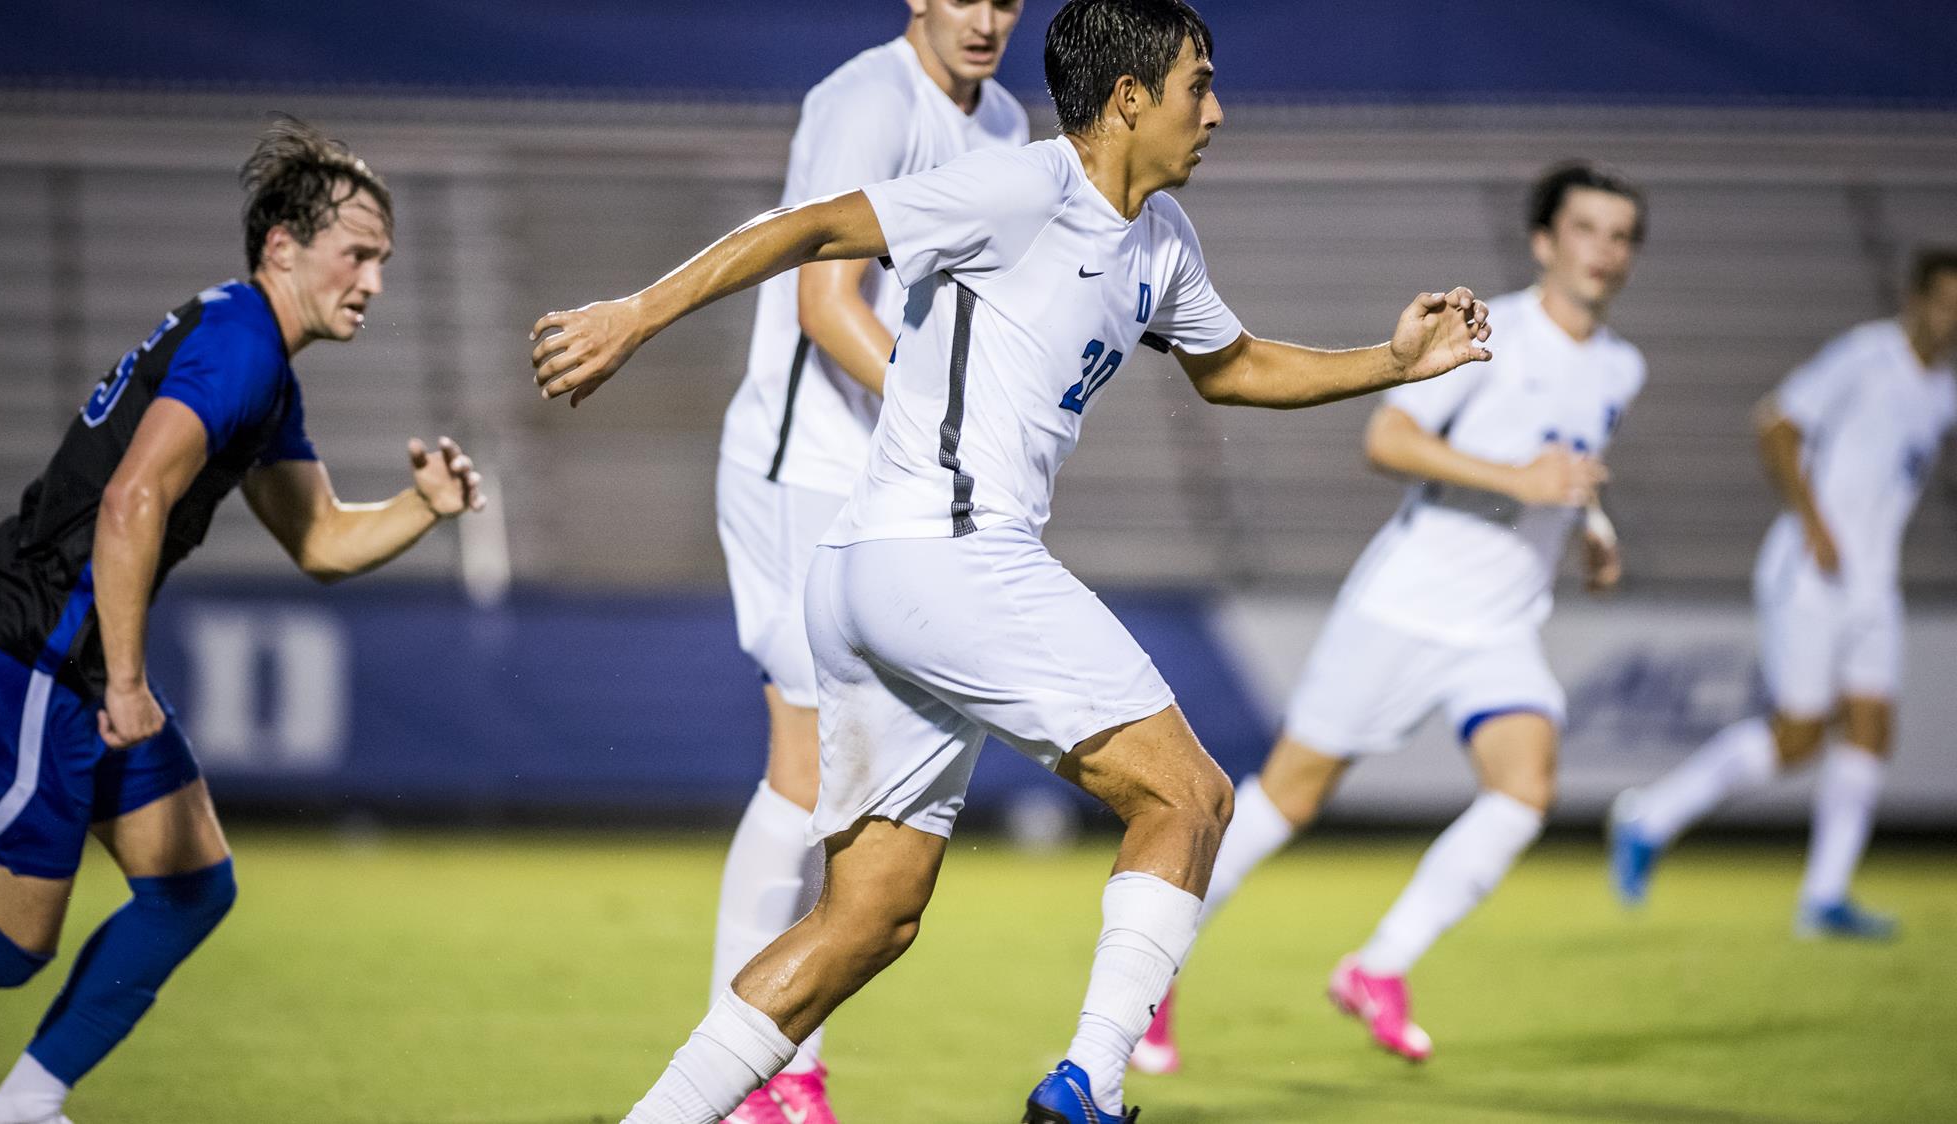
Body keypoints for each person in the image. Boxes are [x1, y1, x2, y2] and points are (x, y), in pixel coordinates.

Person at [531, 1, 1489, 1118]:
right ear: (1128, 98)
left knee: (867, 918)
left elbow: (1230, 370)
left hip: (874, 573)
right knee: (1188, 797)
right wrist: (633, 314)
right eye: (1198, 86)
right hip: (944, 551)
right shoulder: (1017, 185)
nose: (1215, 112)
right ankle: (1087, 1082)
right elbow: (806, 230)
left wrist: (1389, 359)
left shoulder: (1161, 241)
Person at [0, 117, 487, 1124]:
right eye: (357, 255)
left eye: (383, 260)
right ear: (282, 248)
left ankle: (21, 1107)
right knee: (4, 947)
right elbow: (129, 502)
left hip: (79, 655)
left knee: (192, 884)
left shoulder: (261, 363)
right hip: (42, 655)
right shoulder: (242, 344)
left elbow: (322, 541)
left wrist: (424, 506)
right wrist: (121, 684)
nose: (373, 281)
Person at [1129, 161, 1647, 1073]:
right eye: (1587, 230)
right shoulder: (1498, 334)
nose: (1605, 251)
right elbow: (1391, 438)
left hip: (1501, 623)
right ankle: (1149, 975)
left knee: (1526, 788)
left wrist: (1592, 531)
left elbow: (1569, 464)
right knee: (1286, 800)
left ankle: (1379, 967)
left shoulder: (1619, 366)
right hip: (1406, 606)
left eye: (1621, 236)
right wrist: (1519, 481)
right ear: (1543, 242)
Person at [709, 2, 1026, 1119]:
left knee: (847, 784)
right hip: (802, 467)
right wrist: (950, 421)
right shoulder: (864, 101)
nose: (987, 16)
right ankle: (748, 1071)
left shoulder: (1004, 127)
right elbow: (821, 298)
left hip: (886, 482)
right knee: (807, 769)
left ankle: (778, 1065)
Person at [1609, 247, 1957, 940]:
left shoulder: (1943, 388)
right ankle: (1651, 816)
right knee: (1799, 738)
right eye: (1945, 302)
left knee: (1871, 728)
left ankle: (1823, 898)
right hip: (1811, 570)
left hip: (1873, 580)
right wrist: (1815, 521)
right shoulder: (1867, 356)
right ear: (1915, 298)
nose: (1951, 320)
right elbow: (1775, 422)